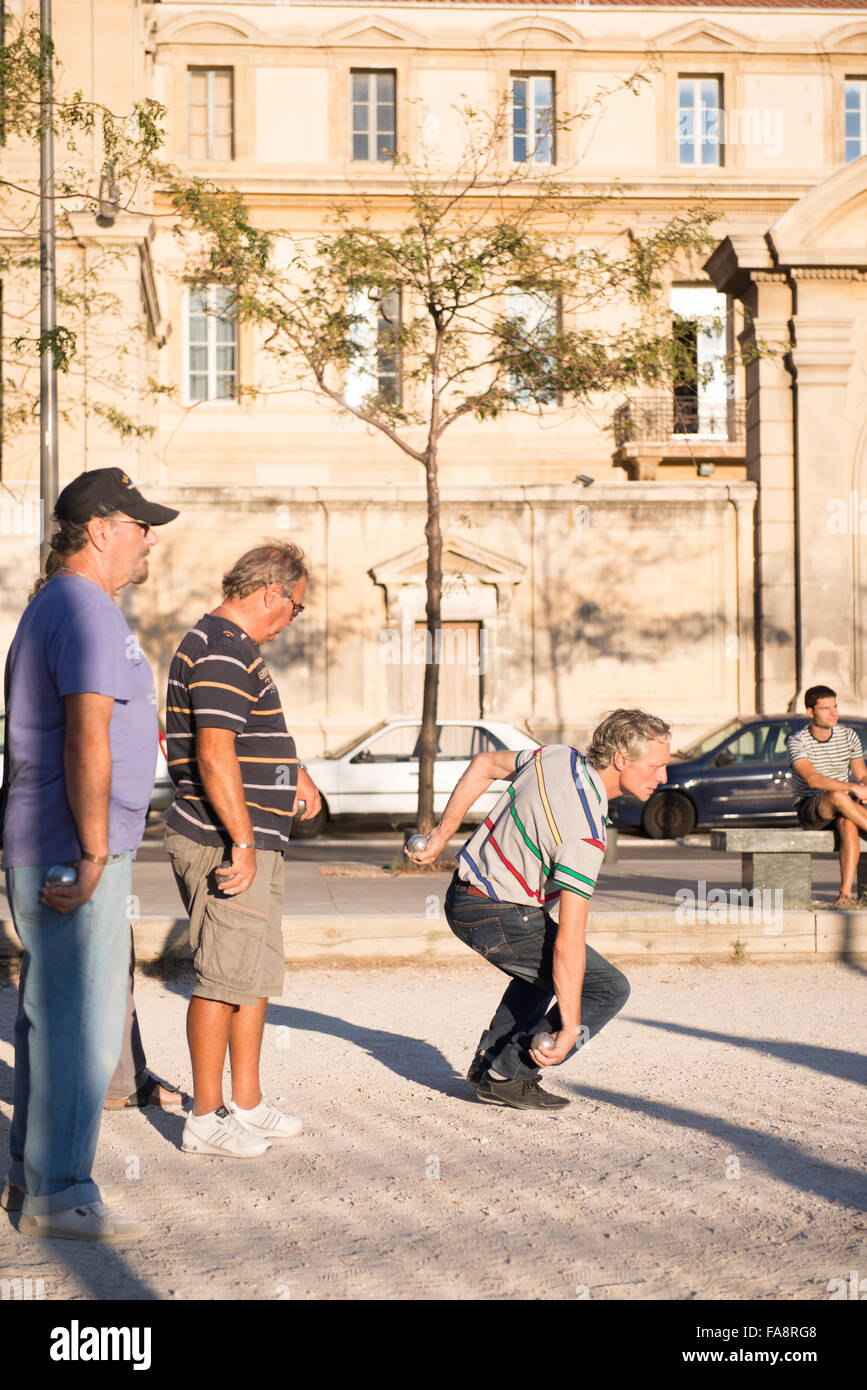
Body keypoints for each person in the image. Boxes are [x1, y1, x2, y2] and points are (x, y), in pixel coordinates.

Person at [1, 467, 177, 1240]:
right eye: (140, 527)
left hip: (52, 841)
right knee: (81, 1023)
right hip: (72, 846)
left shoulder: (59, 605)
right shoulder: (86, 610)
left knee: (53, 1016)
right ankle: (59, 1194)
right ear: (101, 528)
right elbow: (87, 734)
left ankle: (34, 1175)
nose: (149, 541)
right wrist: (98, 849)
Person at [408, 709, 671, 1112]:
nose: (663, 777)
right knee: (605, 987)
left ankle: (489, 1067)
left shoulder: (558, 758)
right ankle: (509, 1074)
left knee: (541, 972)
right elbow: (570, 941)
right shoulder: (584, 832)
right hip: (496, 910)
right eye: (656, 766)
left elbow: (483, 765)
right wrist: (568, 1028)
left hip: (467, 896)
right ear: (621, 759)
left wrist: (441, 835)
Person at [163, 541, 321, 1157]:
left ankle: (246, 1103)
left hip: (252, 837)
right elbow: (214, 751)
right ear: (269, 594)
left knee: (250, 977)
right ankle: (204, 1118)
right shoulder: (222, 650)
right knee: (220, 979)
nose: (293, 618)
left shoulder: (235, 650)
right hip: (222, 838)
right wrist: (244, 841)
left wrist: (294, 772)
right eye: (296, 607)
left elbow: (256, 735)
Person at [787, 685, 867, 908]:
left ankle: (844, 895)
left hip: (846, 807)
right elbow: (813, 779)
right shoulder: (797, 741)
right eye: (825, 708)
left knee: (848, 823)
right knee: (837, 795)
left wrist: (863, 786)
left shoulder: (848, 736)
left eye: (835, 706)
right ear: (811, 712)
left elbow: (862, 775)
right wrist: (854, 788)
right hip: (812, 808)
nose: (834, 713)